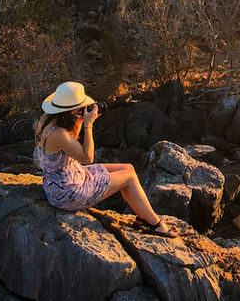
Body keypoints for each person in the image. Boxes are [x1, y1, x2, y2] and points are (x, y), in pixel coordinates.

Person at [34, 81, 178, 237]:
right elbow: (87, 157)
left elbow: (71, 143)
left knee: (128, 168)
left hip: (62, 180)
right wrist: (88, 125)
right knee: (129, 178)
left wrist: (80, 120)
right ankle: (155, 224)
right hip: (67, 193)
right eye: (80, 107)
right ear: (71, 110)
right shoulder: (59, 134)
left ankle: (145, 218)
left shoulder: (46, 120)